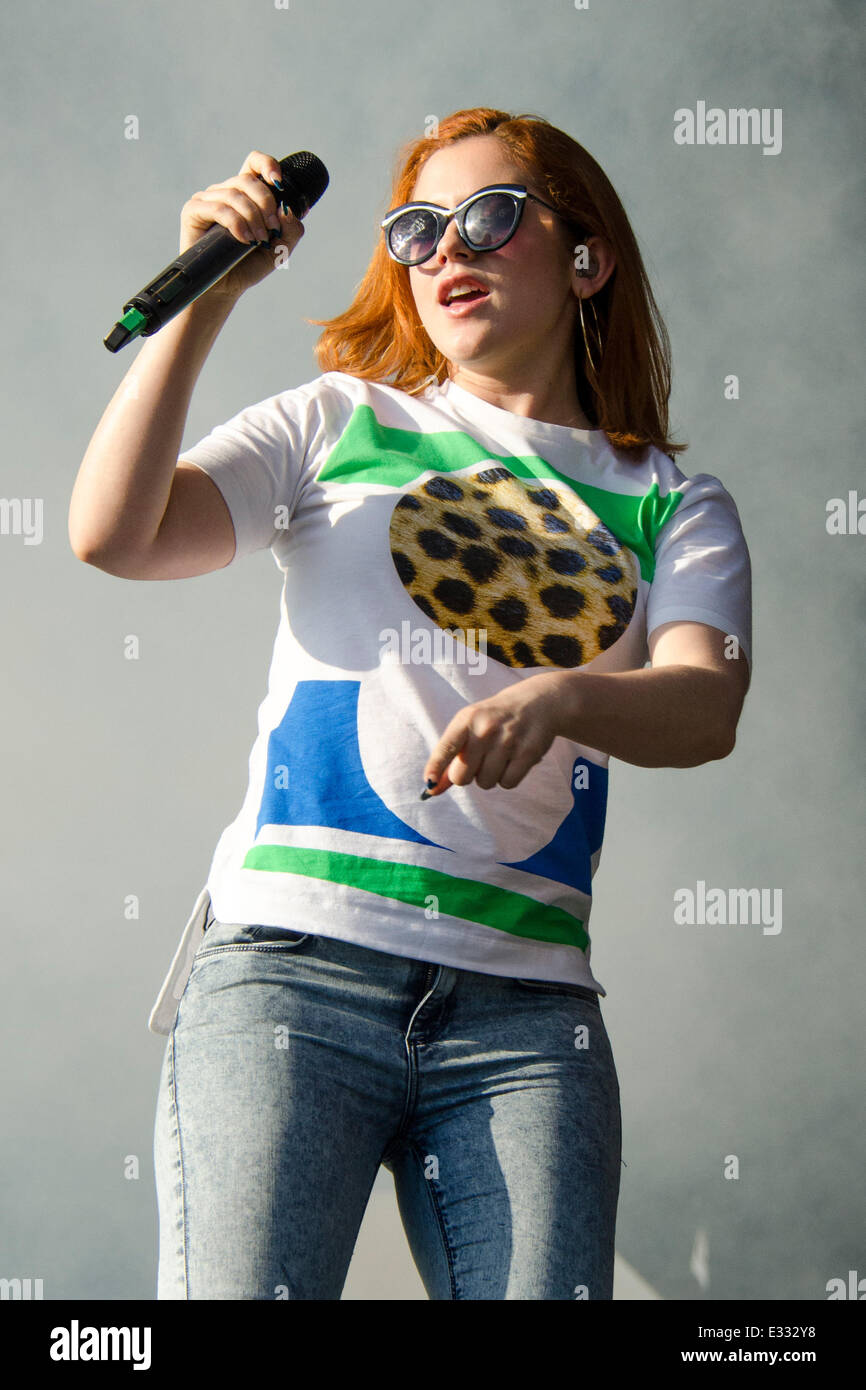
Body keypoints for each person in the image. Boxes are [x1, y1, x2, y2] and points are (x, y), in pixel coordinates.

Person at [69, 106, 752, 1300]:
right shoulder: (341, 419)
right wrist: (207, 303)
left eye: (490, 216)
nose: (447, 250)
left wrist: (556, 697)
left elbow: (704, 705)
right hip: (288, 970)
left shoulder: (668, 501)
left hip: (527, 1015)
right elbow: (114, 536)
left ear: (585, 256)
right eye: (416, 230)